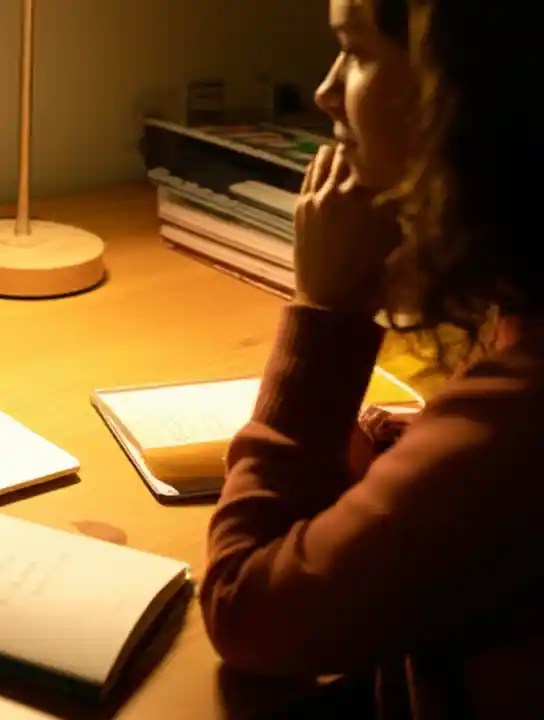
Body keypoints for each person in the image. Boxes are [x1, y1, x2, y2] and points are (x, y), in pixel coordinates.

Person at [199, 1, 541, 717]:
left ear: (462, 89)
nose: (324, 91)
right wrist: (406, 449)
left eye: (355, 51)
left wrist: (325, 315)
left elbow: (246, 612)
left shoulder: (515, 424)